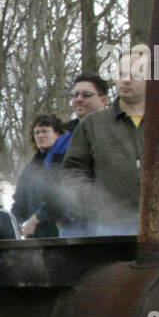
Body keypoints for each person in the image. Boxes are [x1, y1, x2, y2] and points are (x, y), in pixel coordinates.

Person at [60, 49, 159, 257]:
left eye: (136, 75)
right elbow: (72, 171)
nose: (126, 80)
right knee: (116, 288)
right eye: (122, 74)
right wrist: (94, 200)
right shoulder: (93, 124)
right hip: (112, 229)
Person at [45, 74, 109, 236]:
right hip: (71, 223)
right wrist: (57, 212)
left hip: (106, 220)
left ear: (103, 100)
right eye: (75, 95)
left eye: (86, 95)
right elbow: (50, 176)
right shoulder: (62, 137)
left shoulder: (116, 132)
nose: (79, 99)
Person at [12, 114, 64, 238]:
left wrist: (36, 219)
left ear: (58, 134)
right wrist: (13, 222)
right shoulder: (30, 168)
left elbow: (62, 198)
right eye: (37, 132)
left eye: (45, 131)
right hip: (35, 236)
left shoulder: (65, 160)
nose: (40, 135)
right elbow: (20, 202)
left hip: (60, 232)